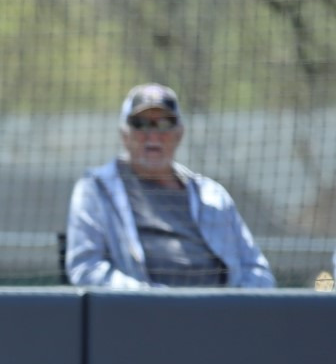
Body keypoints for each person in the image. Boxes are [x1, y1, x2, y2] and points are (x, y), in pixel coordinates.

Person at [65, 83, 275, 288]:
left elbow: (256, 269)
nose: (153, 135)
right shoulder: (96, 190)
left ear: (179, 134)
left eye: (165, 123)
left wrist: (237, 304)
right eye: (140, 124)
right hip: (141, 309)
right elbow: (87, 268)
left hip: (220, 308)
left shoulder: (212, 196)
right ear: (124, 135)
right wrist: (152, 299)